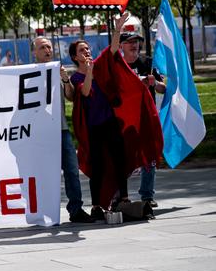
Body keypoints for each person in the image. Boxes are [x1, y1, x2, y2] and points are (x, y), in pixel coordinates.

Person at [68, 16, 130, 221]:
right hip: (93, 128)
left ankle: (124, 198)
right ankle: (96, 205)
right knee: (97, 166)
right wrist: (90, 72)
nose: (86, 51)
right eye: (81, 50)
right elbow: (85, 92)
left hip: (110, 122)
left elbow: (112, 50)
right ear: (75, 57)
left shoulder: (100, 65)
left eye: (87, 48)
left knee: (119, 159)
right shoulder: (76, 77)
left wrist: (118, 28)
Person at [32, 37, 91, 224]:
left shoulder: (59, 71)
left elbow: (72, 96)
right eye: (42, 47)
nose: (47, 50)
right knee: (45, 174)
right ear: (35, 53)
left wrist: (65, 79)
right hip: (41, 132)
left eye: (49, 46)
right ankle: (44, 210)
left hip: (61, 130)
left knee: (72, 170)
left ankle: (76, 209)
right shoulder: (29, 73)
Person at [120, 32, 166, 207]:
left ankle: (147, 195)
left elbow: (163, 89)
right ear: (122, 45)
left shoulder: (148, 63)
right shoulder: (118, 64)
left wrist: (154, 83)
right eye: (130, 42)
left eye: (137, 42)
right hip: (124, 119)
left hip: (147, 118)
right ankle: (120, 196)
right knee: (123, 158)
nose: (134, 45)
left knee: (149, 157)